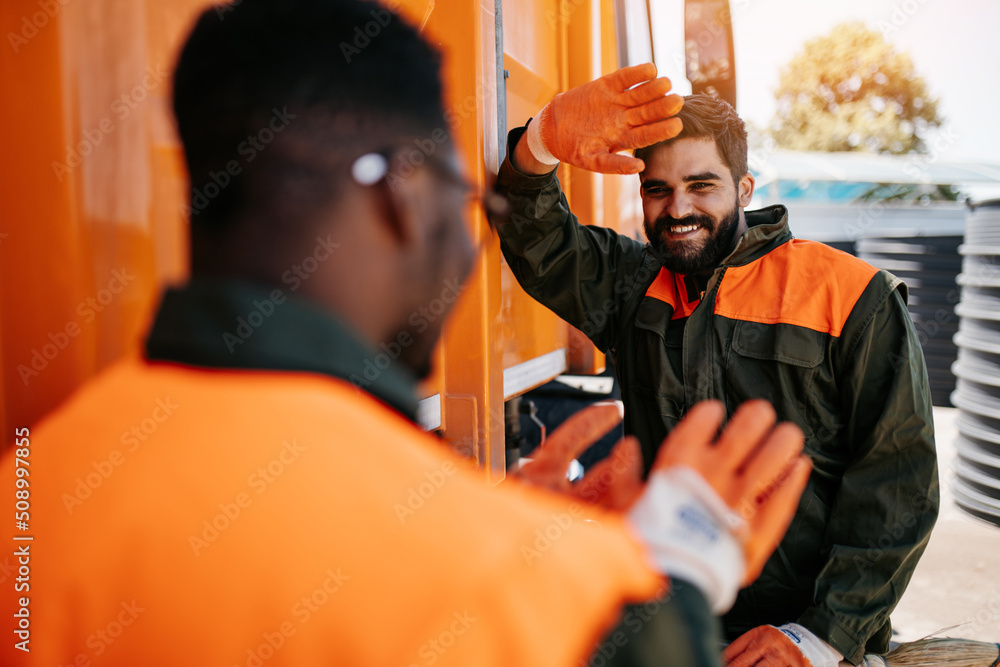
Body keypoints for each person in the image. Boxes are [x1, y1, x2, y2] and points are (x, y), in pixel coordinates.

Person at [0, 2, 813, 666]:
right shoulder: (528, 592)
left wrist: (497, 521)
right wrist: (673, 573)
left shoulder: (30, 501)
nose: (466, 243)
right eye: (468, 205)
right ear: (401, 196)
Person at [494, 69, 939, 666]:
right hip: (669, 630)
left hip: (807, 646)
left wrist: (823, 635)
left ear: (745, 188)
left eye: (702, 185)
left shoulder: (854, 297)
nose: (678, 208)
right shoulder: (632, 287)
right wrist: (542, 140)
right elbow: (537, 238)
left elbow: (898, 482)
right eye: (658, 190)